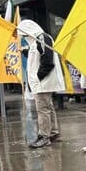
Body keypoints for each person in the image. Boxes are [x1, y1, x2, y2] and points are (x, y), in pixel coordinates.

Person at [20, 19, 64, 149]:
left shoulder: (42, 38)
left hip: (43, 82)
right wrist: (25, 51)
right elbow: (39, 55)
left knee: (43, 109)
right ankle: (53, 132)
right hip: (41, 81)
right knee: (48, 107)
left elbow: (47, 60)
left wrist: (39, 77)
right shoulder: (37, 39)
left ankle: (44, 136)